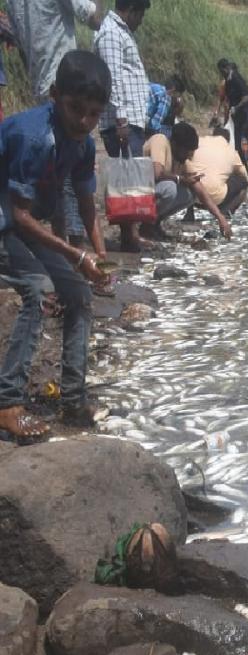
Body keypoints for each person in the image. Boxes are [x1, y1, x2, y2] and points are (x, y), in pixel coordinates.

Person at [0, 51, 112, 441]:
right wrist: (73, 254)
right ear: (54, 95)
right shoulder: (35, 138)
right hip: (7, 221)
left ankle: (73, 397)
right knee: (39, 291)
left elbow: (82, 202)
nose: (84, 121)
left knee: (78, 292)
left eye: (94, 114)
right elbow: (20, 216)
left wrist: (97, 256)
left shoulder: (80, 145)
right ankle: (8, 403)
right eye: (75, 109)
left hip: (20, 224)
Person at [96, 0, 152, 253]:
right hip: (122, 121)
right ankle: (129, 236)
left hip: (130, 119)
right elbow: (113, 77)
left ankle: (132, 233)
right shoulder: (110, 32)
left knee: (131, 178)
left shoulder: (120, 32)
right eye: (140, 15)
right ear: (131, 10)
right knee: (126, 180)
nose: (141, 21)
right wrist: (121, 119)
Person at [144, 122, 233, 239]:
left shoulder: (182, 160)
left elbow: (200, 189)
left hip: (153, 192)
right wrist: (180, 179)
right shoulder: (160, 141)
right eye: (186, 152)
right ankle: (145, 225)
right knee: (170, 188)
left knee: (191, 195)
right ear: (176, 144)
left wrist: (220, 218)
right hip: (139, 190)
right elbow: (157, 173)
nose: (188, 157)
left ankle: (154, 223)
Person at [186, 126, 248, 224]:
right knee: (243, 182)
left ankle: (189, 213)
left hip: (193, 196)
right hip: (217, 199)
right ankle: (226, 212)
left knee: (190, 171)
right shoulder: (231, 151)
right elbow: (245, 177)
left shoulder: (199, 141)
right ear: (228, 140)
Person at [217, 59, 248, 167]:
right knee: (237, 143)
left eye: (222, 71)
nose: (222, 73)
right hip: (236, 115)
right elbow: (227, 98)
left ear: (227, 68)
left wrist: (236, 107)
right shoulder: (227, 80)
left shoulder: (237, 78)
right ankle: (243, 166)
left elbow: (246, 97)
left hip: (244, 113)